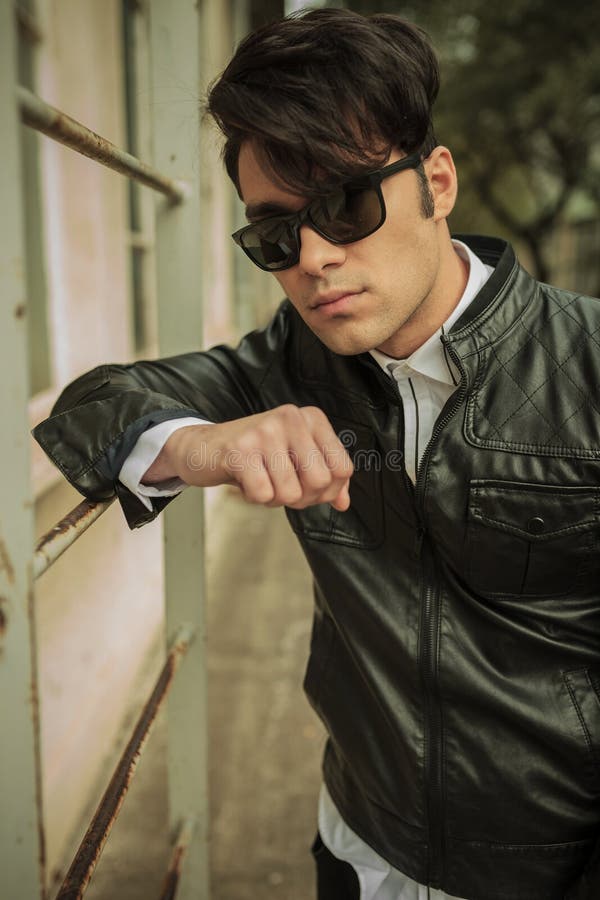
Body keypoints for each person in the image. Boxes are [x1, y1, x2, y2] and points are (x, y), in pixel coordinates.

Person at [33, 8, 600, 900]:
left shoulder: (588, 364)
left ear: (438, 182)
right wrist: (205, 443)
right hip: (359, 847)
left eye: (347, 203)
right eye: (276, 234)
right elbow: (91, 404)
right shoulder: (292, 363)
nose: (316, 259)